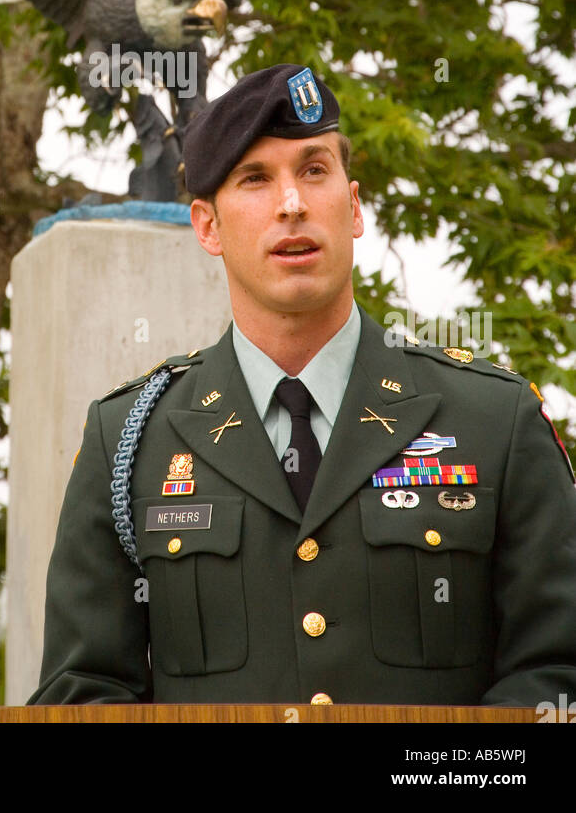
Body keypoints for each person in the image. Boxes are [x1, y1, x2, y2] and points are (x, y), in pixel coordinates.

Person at [30, 63, 576, 706]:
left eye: (314, 170)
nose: (292, 203)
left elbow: (557, 674)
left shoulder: (493, 420)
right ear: (207, 226)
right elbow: (81, 693)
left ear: (353, 207)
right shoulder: (129, 440)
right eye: (255, 179)